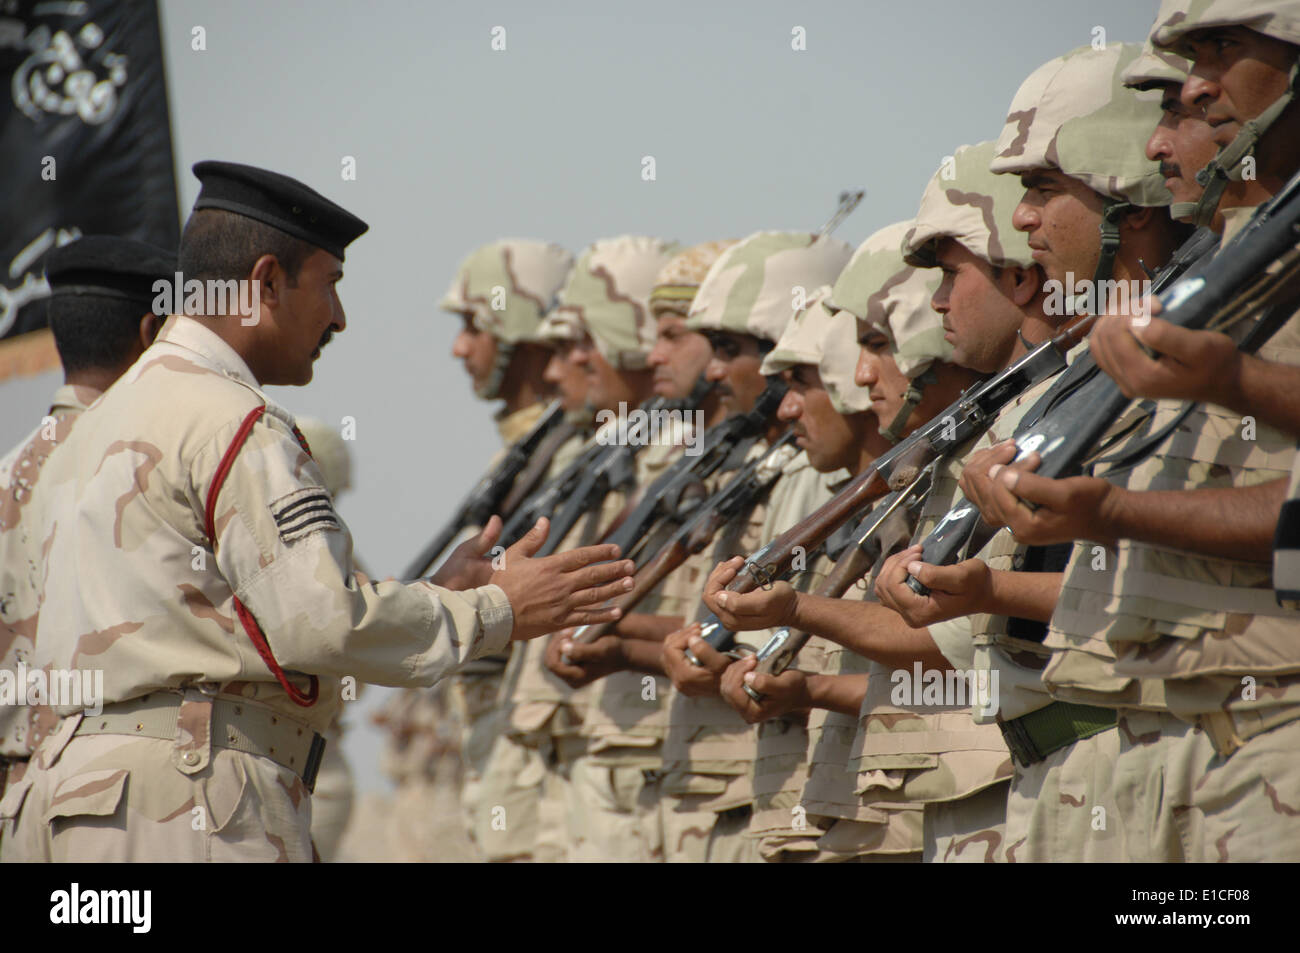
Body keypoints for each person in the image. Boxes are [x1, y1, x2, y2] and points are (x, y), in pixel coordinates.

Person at [0, 161, 633, 863]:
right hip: (179, 809)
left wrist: (436, 594)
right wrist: (497, 608)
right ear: (268, 282)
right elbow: (323, 625)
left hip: (73, 807)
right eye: (331, 285)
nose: (339, 317)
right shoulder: (233, 422)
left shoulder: (92, 426)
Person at [959, 2, 1300, 861]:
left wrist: (1105, 512)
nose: (1163, 138)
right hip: (1183, 748)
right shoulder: (1229, 274)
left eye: (1222, 50)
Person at [654, 229, 853, 862]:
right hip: (758, 797)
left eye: (728, 347)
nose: (713, 370)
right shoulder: (759, 466)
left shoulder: (820, 477)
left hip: (814, 806)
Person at [380, 239, 573, 860]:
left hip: (545, 766)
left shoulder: (571, 458)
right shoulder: (526, 454)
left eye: (473, 326)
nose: (459, 347)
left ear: (518, 333)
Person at [489, 235, 679, 861]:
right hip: (588, 757)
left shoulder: (685, 459)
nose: (556, 368)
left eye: (579, 343)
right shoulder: (610, 455)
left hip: (646, 767)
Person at [0, 235, 173, 858]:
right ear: (151, 332)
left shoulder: (7, 474)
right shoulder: (155, 471)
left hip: (16, 806)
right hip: (120, 802)